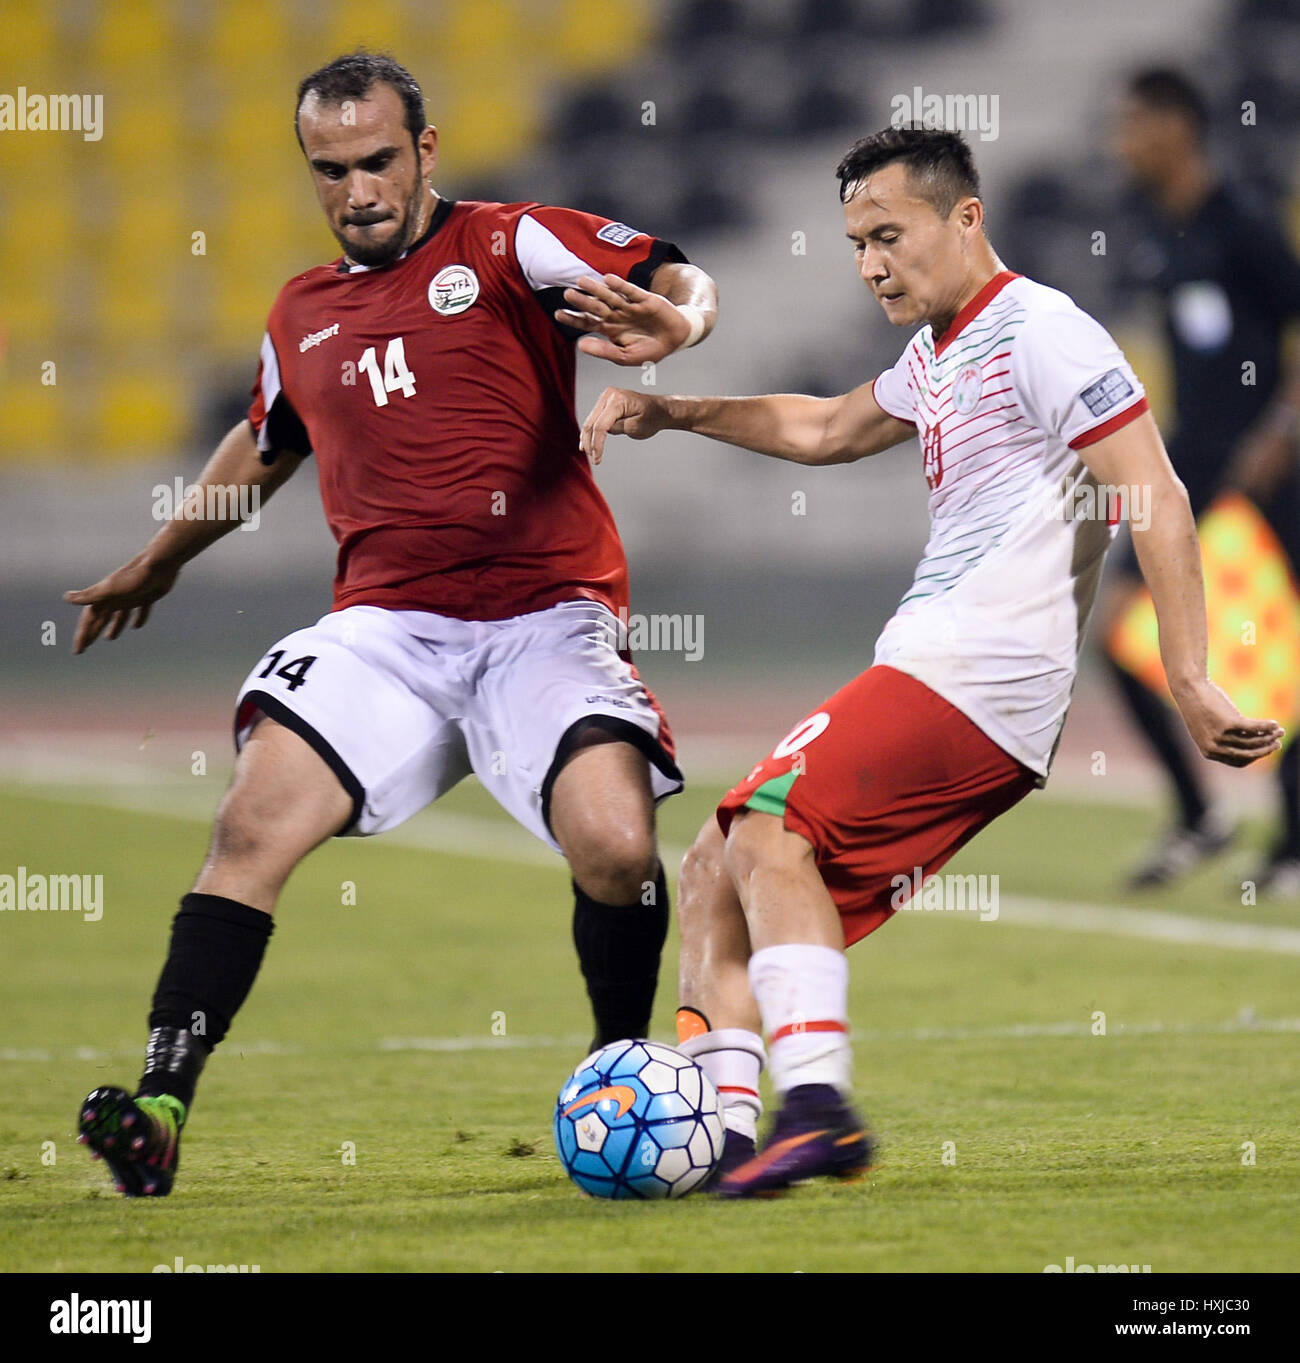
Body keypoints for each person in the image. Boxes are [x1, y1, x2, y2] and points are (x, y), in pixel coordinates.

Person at [580, 126, 1282, 1197]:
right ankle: (722, 1135)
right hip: (936, 659)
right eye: (855, 241)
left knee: (771, 830)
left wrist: (1187, 674)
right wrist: (675, 411)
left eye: (888, 234)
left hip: (984, 668)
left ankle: (818, 1108)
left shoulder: (1043, 331)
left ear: (965, 219)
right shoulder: (936, 349)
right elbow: (824, 429)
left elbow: (1156, 494)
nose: (869, 263)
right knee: (715, 862)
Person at [65, 52, 718, 1197]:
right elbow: (264, 444)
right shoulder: (300, 313)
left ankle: (619, 1065)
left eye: (376, 160)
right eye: (331, 171)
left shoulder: (511, 245)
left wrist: (680, 321)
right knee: (250, 825)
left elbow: (674, 271)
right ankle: (162, 1102)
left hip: (544, 618)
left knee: (617, 850)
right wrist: (156, 560)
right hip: (388, 632)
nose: (358, 189)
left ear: (424, 149)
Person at [1106, 67, 1300, 892]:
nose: (1123, 141)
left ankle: (1292, 840)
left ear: (1178, 126)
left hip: (1267, 462)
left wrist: (1280, 433)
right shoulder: (1156, 228)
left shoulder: (1243, 221)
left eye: (1135, 123)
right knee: (1118, 624)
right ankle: (1199, 813)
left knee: (1283, 649)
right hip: (1186, 458)